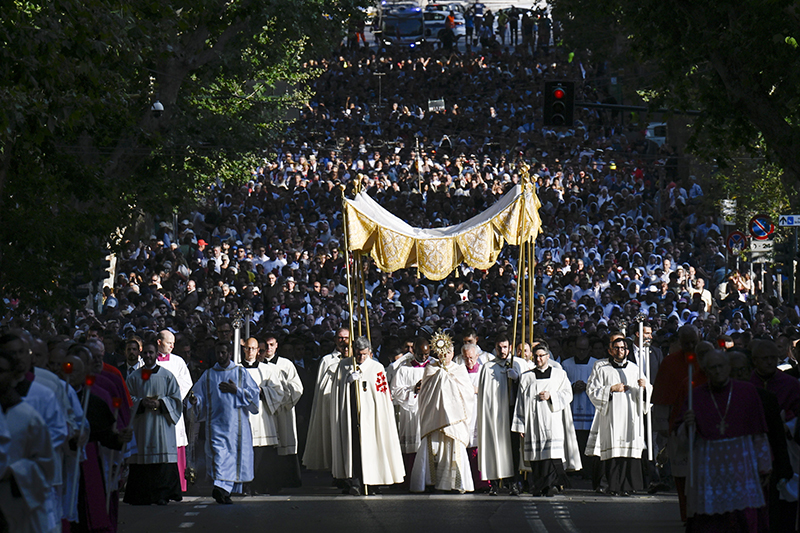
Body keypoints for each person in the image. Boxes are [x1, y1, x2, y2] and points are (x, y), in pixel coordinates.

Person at [677, 350, 771, 532]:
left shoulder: (747, 392)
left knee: (742, 518)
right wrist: (688, 425)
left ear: (728, 368)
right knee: (711, 520)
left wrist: (764, 465)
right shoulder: (696, 396)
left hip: (741, 464)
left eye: (721, 366)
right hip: (709, 466)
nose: (718, 371)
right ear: (706, 370)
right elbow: (684, 442)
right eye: (713, 368)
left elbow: (758, 433)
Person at [331, 335, 404, 495]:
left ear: (370, 352)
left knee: (373, 448)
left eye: (364, 354)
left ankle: (372, 482)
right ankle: (355, 481)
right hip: (351, 415)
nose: (361, 358)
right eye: (358, 354)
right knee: (354, 449)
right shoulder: (344, 365)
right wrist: (349, 384)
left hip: (372, 417)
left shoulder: (376, 368)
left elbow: (382, 395)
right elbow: (337, 392)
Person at [189, 340, 259, 504]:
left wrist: (237, 391)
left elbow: (254, 395)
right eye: (218, 353)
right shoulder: (208, 375)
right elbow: (198, 395)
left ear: (229, 353)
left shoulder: (240, 373)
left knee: (233, 457)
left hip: (237, 426)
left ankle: (224, 490)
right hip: (216, 425)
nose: (220, 356)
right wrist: (195, 400)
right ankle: (220, 488)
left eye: (223, 353)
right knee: (220, 456)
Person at [585, 332, 651, 496]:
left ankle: (627, 486)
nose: (620, 351)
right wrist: (611, 389)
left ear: (628, 351)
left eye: (623, 348)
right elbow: (591, 390)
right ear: (610, 351)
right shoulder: (601, 368)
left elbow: (645, 395)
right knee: (613, 452)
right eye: (616, 348)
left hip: (630, 416)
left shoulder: (635, 369)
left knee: (629, 451)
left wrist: (645, 388)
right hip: (611, 416)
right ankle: (613, 486)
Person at [410, 331, 474, 493]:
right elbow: (425, 393)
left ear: (452, 353)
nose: (444, 355)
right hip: (434, 418)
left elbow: (467, 393)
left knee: (454, 449)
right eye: (441, 353)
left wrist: (446, 377)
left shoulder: (459, 370)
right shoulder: (431, 369)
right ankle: (430, 481)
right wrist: (441, 375)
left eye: (447, 352)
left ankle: (455, 483)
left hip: (454, 420)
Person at [513, 344, 581, 497]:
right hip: (534, 423)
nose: (538, 359)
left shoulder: (559, 374)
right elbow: (520, 403)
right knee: (537, 456)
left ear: (548, 356)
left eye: (542, 355)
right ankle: (538, 485)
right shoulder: (526, 376)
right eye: (536, 356)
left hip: (553, 420)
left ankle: (550, 486)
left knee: (551, 454)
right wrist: (521, 425)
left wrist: (552, 397)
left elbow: (567, 394)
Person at [124, 340, 183, 506]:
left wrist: (161, 403)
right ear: (142, 355)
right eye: (146, 353)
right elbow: (127, 399)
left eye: (151, 353)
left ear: (156, 355)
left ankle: (162, 495)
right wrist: (141, 403)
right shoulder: (134, 377)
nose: (148, 356)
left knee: (161, 462)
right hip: (142, 425)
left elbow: (176, 400)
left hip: (161, 425)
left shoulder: (167, 376)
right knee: (141, 463)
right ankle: (142, 496)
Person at [477, 333, 526, 495]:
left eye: (505, 347)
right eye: (499, 347)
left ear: (510, 347)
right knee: (497, 447)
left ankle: (514, 481)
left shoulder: (519, 364)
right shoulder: (488, 367)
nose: (502, 350)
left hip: (513, 412)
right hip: (497, 413)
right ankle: (497, 481)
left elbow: (529, 388)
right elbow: (485, 396)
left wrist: (518, 379)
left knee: (513, 448)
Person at [241, 337, 284, 495]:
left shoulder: (267, 370)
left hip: (262, 417)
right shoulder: (237, 369)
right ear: (243, 349)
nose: (250, 352)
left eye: (253, 348)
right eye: (247, 348)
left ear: (258, 350)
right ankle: (246, 485)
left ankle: (261, 484)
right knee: (246, 452)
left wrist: (262, 391)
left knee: (262, 454)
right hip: (244, 416)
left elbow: (279, 392)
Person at [303, 327, 349, 471]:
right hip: (331, 404)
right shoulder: (327, 360)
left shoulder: (356, 359)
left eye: (346, 338)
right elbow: (320, 387)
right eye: (340, 338)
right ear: (335, 340)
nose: (343, 341)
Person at [262, 335, 304, 490]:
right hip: (266, 410)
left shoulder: (286, 364)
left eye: (271, 345)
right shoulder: (259, 364)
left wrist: (283, 399)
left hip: (283, 410)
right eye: (266, 345)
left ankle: (290, 479)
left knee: (286, 443)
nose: (268, 348)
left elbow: (297, 387)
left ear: (276, 345)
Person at [156, 329, 194, 493]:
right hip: (155, 411)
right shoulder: (148, 361)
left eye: (173, 343)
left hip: (172, 410)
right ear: (159, 342)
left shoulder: (178, 362)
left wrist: (170, 398)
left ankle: (178, 485)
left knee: (176, 445)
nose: (172, 346)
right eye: (168, 343)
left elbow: (186, 383)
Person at [561, 335, 601, 487]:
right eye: (579, 349)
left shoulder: (595, 365)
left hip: (590, 408)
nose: (582, 352)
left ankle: (588, 470)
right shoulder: (566, 364)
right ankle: (573, 469)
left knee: (588, 440)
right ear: (574, 348)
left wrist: (587, 387)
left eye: (584, 350)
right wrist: (572, 387)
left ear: (589, 349)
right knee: (574, 438)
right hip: (572, 408)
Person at [391, 336, 432, 475]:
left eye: (427, 354)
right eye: (420, 354)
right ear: (413, 351)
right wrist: (413, 390)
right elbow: (395, 391)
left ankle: (429, 479)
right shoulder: (404, 369)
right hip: (411, 413)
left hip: (430, 411)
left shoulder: (435, 366)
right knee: (413, 446)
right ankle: (412, 478)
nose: (424, 357)